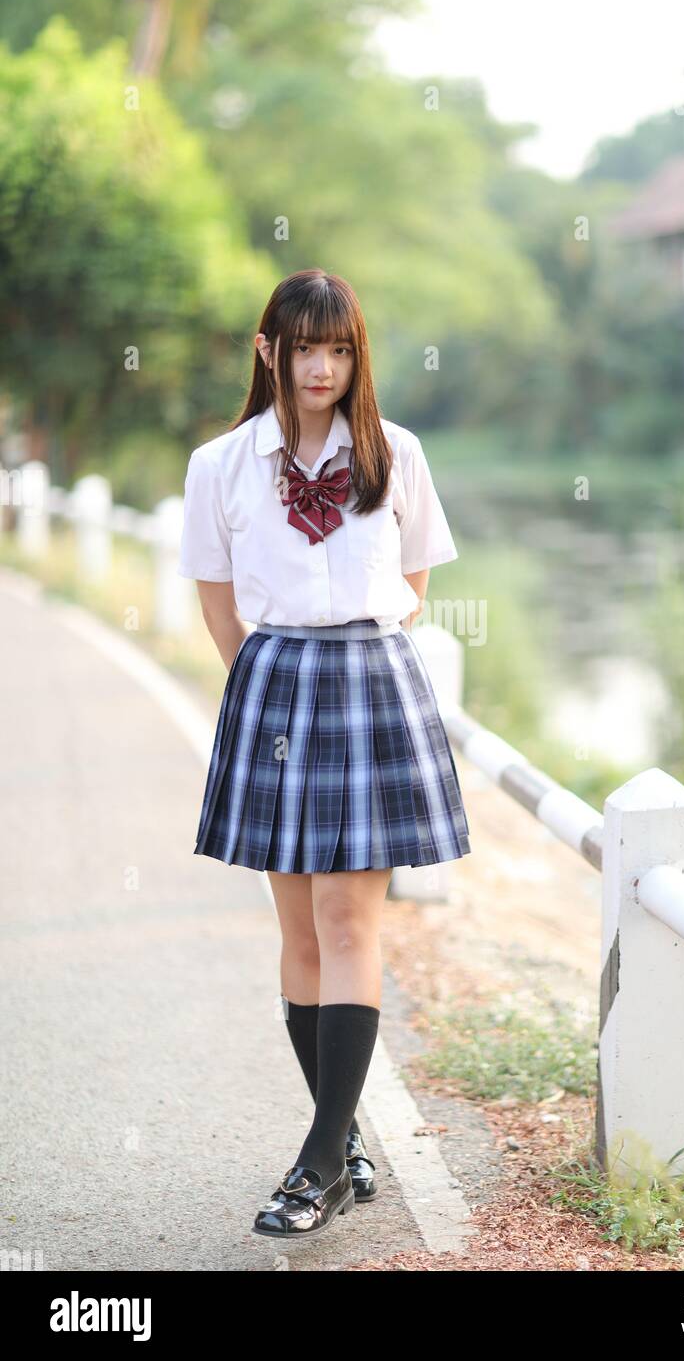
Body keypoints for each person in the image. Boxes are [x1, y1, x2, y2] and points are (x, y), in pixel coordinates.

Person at [177, 268, 471, 1242]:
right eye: (304, 346)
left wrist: (342, 656)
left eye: (339, 348)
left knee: (349, 919)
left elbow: (414, 580)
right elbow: (217, 599)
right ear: (268, 349)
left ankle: (317, 1165)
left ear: (355, 355)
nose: (321, 366)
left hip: (371, 681)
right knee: (299, 933)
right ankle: (340, 1140)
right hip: (273, 684)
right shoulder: (221, 465)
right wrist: (263, 679)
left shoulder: (398, 455)